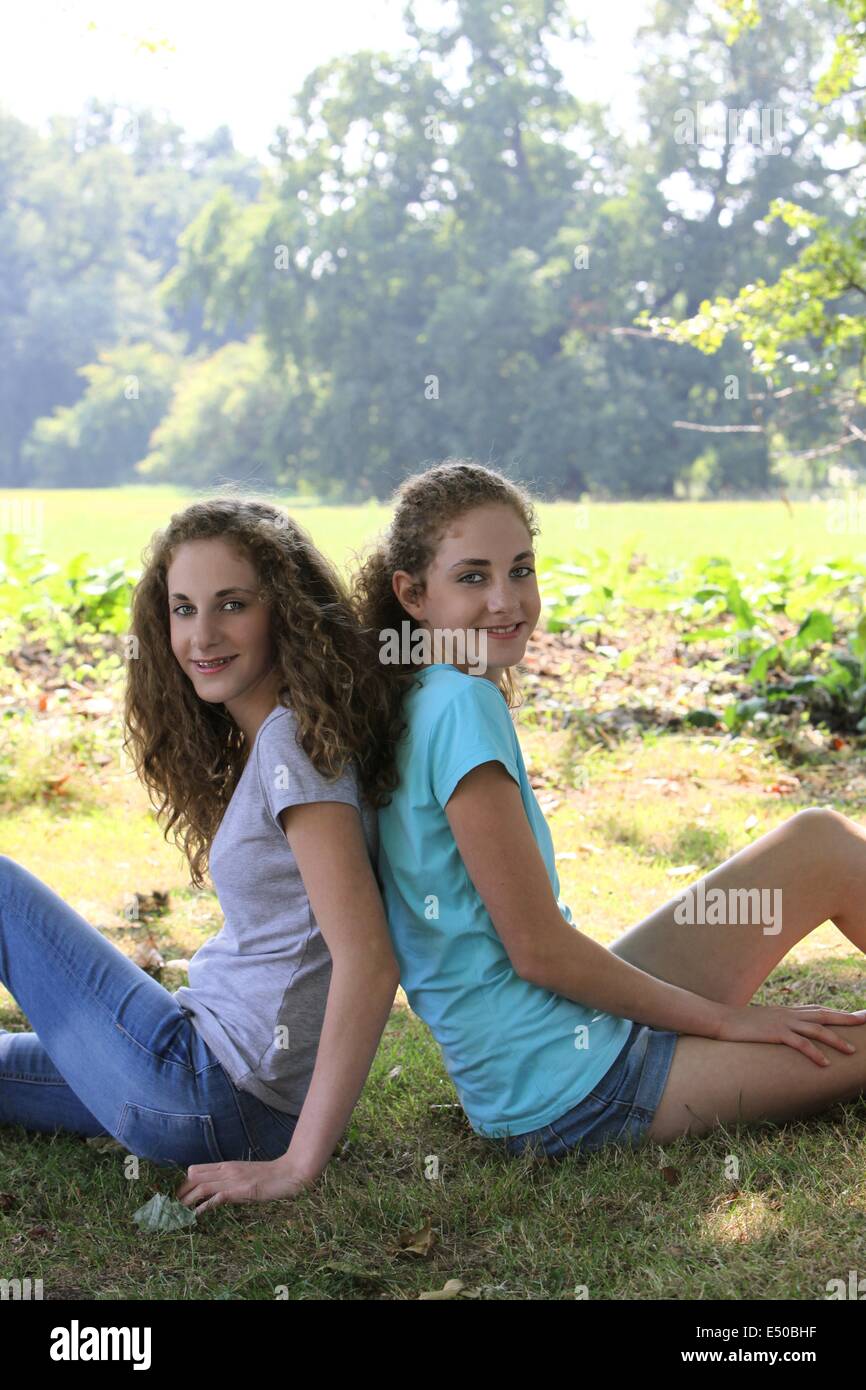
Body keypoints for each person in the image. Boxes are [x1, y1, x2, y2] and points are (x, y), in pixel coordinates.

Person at [353, 458, 866, 1162]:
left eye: (521, 570)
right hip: (567, 1090)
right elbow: (538, 952)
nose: (506, 600)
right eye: (473, 576)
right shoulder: (461, 706)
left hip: (577, 1029)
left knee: (819, 842)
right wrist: (727, 1024)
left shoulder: (421, 691)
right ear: (412, 594)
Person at [0, 495, 403, 1211]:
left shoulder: (292, 748)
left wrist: (297, 1166)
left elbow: (368, 959)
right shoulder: (284, 737)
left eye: (231, 605)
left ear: (286, 610)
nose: (202, 634)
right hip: (222, 1089)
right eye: (183, 609)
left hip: (210, 1087)